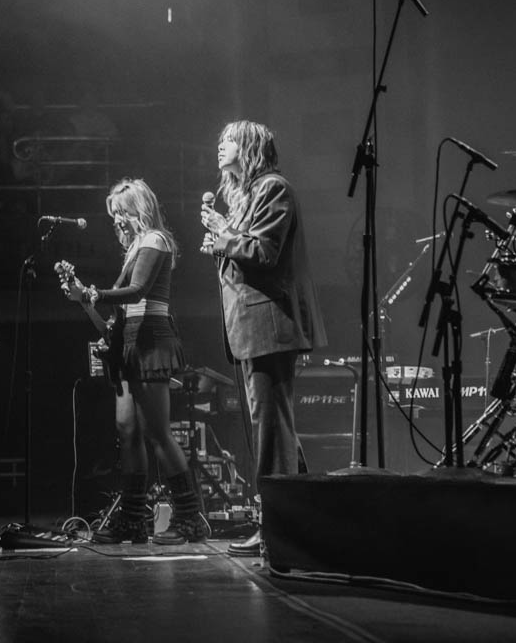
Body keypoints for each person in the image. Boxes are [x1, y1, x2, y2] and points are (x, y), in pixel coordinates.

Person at [200, 120, 326, 557]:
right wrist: (225, 234)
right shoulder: (244, 196)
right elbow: (244, 247)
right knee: (275, 428)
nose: (220, 147)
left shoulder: (274, 189)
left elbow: (263, 252)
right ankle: (302, 518)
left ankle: (277, 526)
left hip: (269, 325)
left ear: (250, 147)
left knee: (271, 427)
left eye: (228, 140)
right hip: (253, 328)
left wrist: (224, 238)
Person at [62, 177, 207, 545]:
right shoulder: (134, 249)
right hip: (130, 342)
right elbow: (115, 309)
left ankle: (191, 519)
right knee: (128, 432)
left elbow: (138, 290)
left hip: (150, 340)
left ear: (136, 210)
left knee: (158, 433)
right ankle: (133, 521)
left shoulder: (154, 240)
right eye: (113, 215)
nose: (116, 222)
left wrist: (97, 292)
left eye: (120, 213)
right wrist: (84, 297)